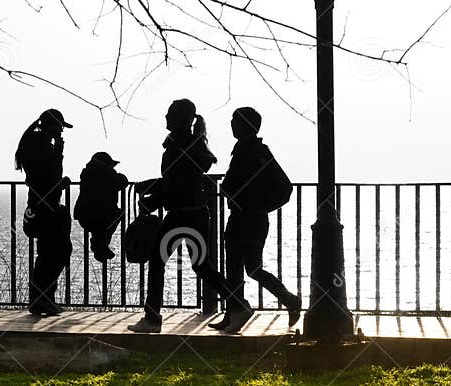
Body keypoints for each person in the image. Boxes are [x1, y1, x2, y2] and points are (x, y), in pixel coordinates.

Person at [128, 99, 241, 334]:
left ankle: (152, 318)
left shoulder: (180, 146)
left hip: (181, 215)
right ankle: (238, 305)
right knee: (201, 266)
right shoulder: (189, 145)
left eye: (169, 114)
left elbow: (177, 184)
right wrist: (155, 187)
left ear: (180, 119)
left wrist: (153, 199)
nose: (165, 118)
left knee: (159, 261)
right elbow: (180, 180)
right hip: (194, 214)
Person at [211, 107, 301, 333]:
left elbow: (284, 187)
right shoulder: (249, 150)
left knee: (247, 268)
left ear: (246, 125)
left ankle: (287, 301)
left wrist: (259, 207)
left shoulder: (254, 151)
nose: (231, 125)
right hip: (246, 217)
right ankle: (233, 312)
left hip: (248, 219)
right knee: (240, 268)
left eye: (235, 121)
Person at [15, 109, 74, 316]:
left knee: (50, 253)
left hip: (41, 205)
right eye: (60, 128)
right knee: (55, 252)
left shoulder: (35, 142)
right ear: (54, 126)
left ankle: (43, 298)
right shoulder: (41, 146)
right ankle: (42, 298)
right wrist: (58, 152)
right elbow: (48, 176)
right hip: (45, 207)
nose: (61, 133)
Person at [74, 152, 128, 262]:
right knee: (117, 214)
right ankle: (100, 246)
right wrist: (114, 173)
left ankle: (100, 245)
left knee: (99, 229)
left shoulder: (86, 172)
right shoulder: (107, 173)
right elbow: (121, 182)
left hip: (83, 216)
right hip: (101, 216)